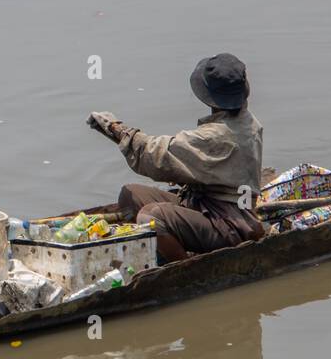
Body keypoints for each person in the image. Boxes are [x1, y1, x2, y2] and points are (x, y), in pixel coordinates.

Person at [87, 53, 265, 263]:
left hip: (231, 226)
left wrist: (116, 129)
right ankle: (158, 246)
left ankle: (184, 265)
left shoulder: (215, 136)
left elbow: (156, 154)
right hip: (207, 205)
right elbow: (192, 161)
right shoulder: (246, 120)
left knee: (150, 217)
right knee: (130, 195)